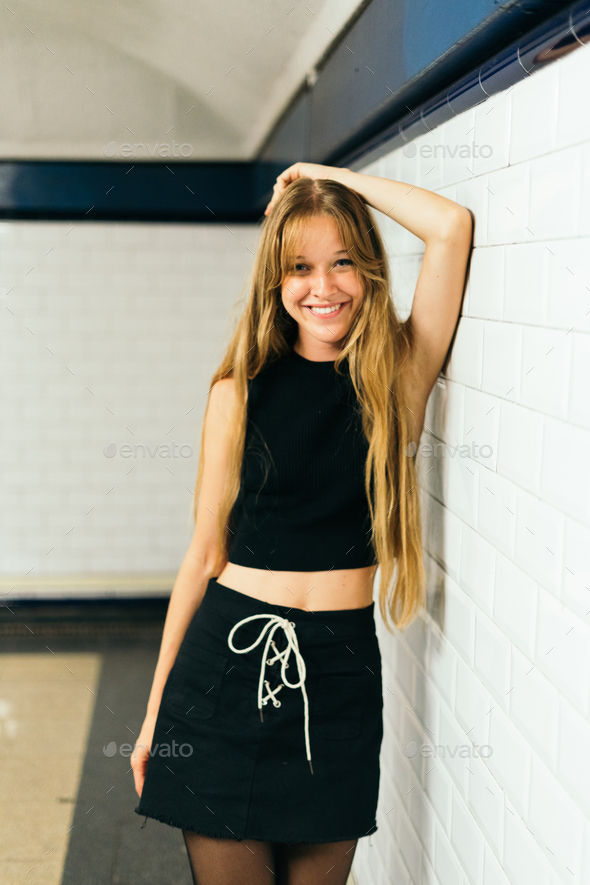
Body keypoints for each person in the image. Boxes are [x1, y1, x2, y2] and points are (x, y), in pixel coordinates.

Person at [132, 162, 472, 884]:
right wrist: (155, 710)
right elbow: (203, 556)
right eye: (300, 267)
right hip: (224, 672)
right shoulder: (237, 392)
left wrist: (327, 176)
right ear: (276, 281)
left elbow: (450, 228)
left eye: (343, 261)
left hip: (340, 678)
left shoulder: (397, 376)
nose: (324, 287)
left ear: (369, 269)